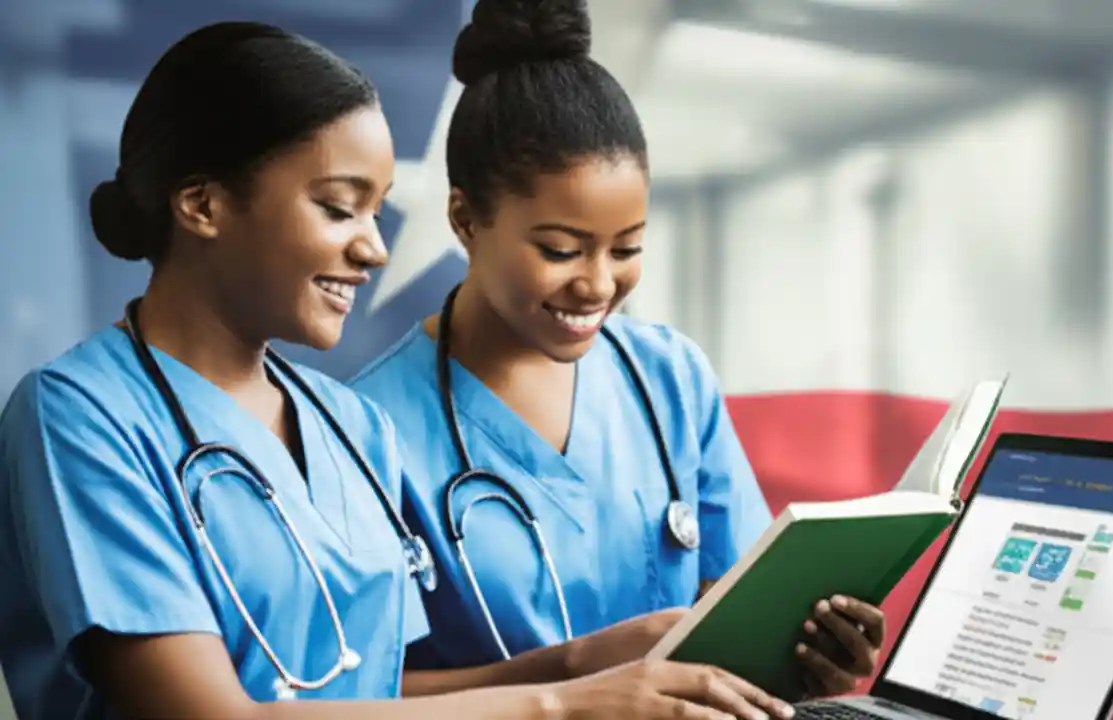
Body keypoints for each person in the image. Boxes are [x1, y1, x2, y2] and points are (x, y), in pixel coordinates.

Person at [0, 21, 795, 720]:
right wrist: (566, 704)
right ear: (202, 205)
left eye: (377, 212)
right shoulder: (77, 416)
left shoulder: (349, 426)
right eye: (338, 207)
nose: (374, 248)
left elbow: (381, 697)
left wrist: (585, 661)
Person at [350, 0, 887, 701]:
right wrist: (576, 671)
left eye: (627, 248)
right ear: (466, 219)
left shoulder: (671, 378)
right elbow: (353, 698)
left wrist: (806, 655)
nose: (599, 285)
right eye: (560, 250)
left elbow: (732, 618)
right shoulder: (364, 429)